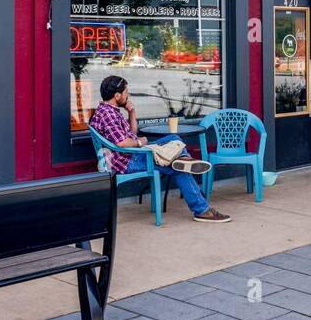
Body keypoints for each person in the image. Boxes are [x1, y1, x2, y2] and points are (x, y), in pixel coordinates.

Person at [89, 75, 231, 223]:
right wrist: (139, 143)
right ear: (117, 95)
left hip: (128, 156)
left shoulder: (106, 110)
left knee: (173, 139)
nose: (128, 95)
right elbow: (122, 143)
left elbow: (132, 133)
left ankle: (183, 160)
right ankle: (202, 209)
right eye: (126, 92)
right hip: (127, 161)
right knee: (178, 168)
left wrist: (131, 113)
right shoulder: (109, 114)